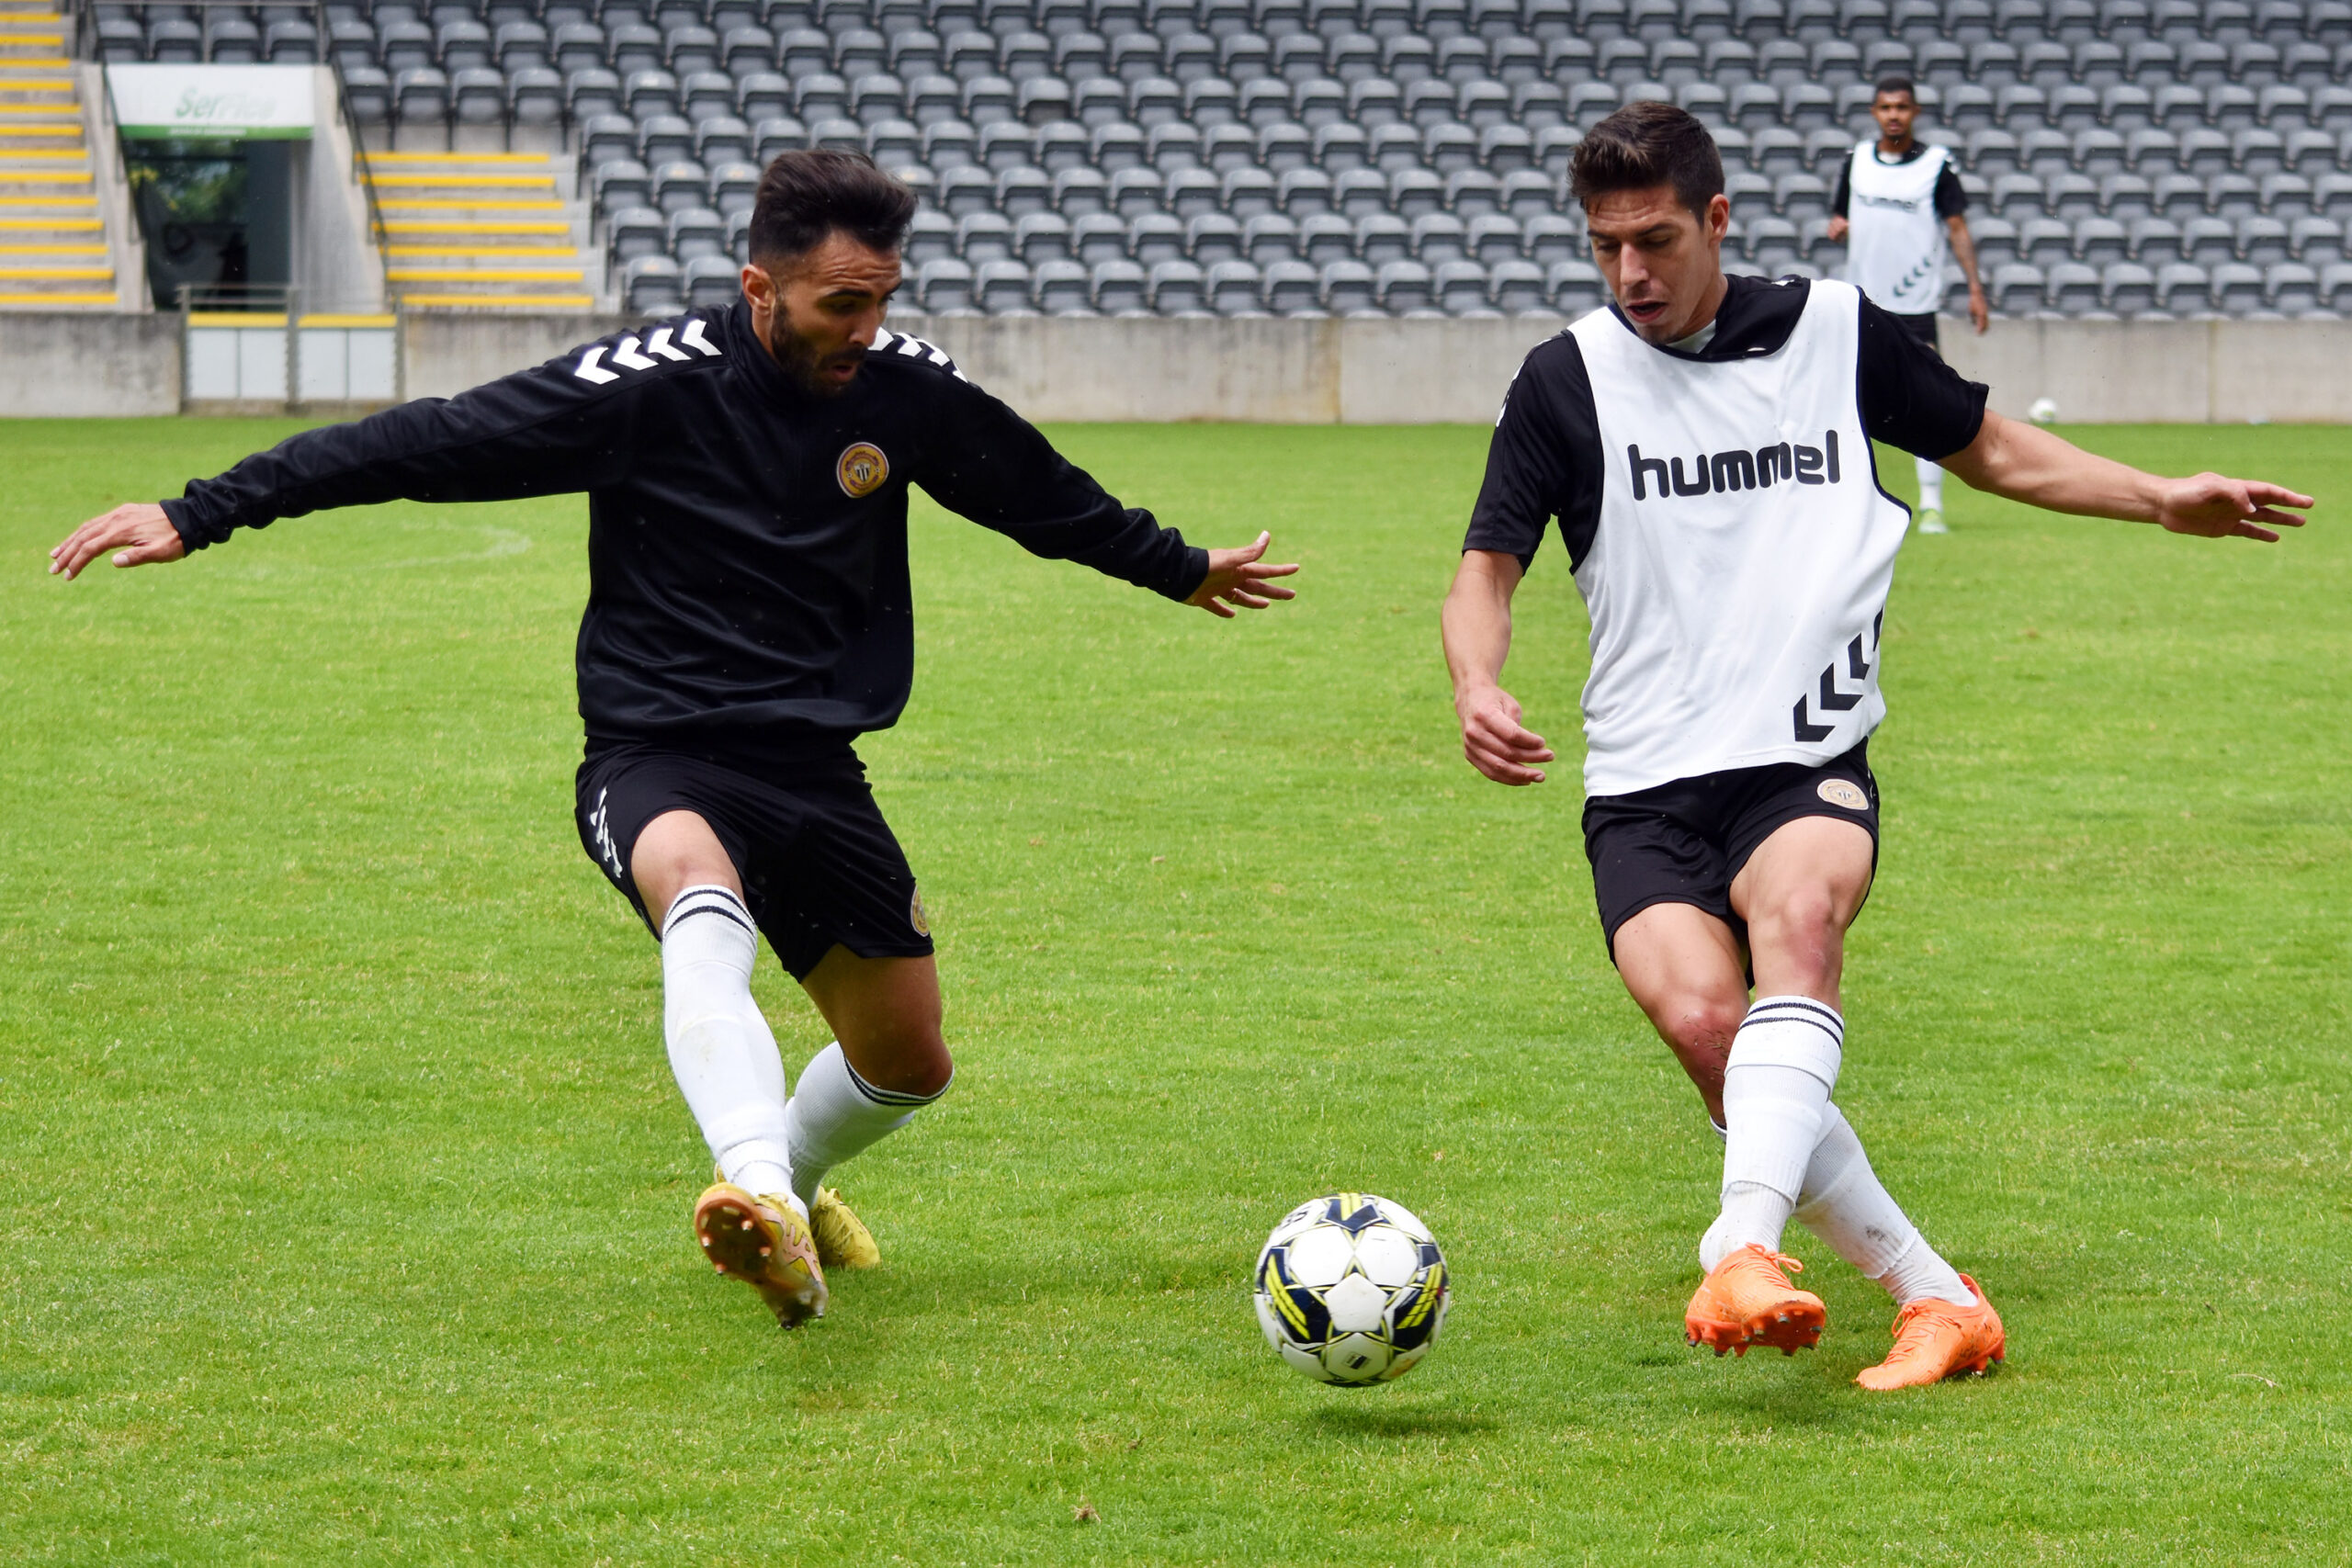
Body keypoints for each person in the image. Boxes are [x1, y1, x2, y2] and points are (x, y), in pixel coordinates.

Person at [49, 149, 1298, 1331]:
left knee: (909, 1060)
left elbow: (1035, 491)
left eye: (883, 298)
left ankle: (787, 1191)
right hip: (656, 750)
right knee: (699, 895)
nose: (866, 326)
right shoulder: (648, 386)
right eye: (841, 302)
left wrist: (1176, 566)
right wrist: (202, 509)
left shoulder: (902, 387)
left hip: (816, 767)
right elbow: (423, 442)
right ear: (760, 288)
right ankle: (753, 1181)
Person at [1441, 103, 2308, 1390]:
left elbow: (1991, 447)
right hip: (1642, 783)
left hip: (1803, 763)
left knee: (1800, 921)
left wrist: (2158, 497)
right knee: (1708, 1027)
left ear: (1716, 220)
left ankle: (1739, 1245)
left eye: (1656, 240)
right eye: (1605, 245)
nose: (1630, 272)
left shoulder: (1838, 333)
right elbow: (1485, 568)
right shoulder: (1565, 379)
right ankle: (1939, 1298)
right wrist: (1476, 678)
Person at [1826, 74, 1989, 536]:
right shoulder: (1856, 161)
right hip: (1862, 300)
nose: (1893, 115)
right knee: (1850, 402)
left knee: (1927, 401)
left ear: (1914, 112)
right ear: (1874, 113)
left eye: (1901, 107)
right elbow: (1841, 215)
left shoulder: (1937, 165)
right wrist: (1838, 226)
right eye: (1885, 107)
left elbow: (1957, 228)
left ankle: (1932, 505)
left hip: (1916, 304)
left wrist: (1975, 288)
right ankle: (1852, 505)